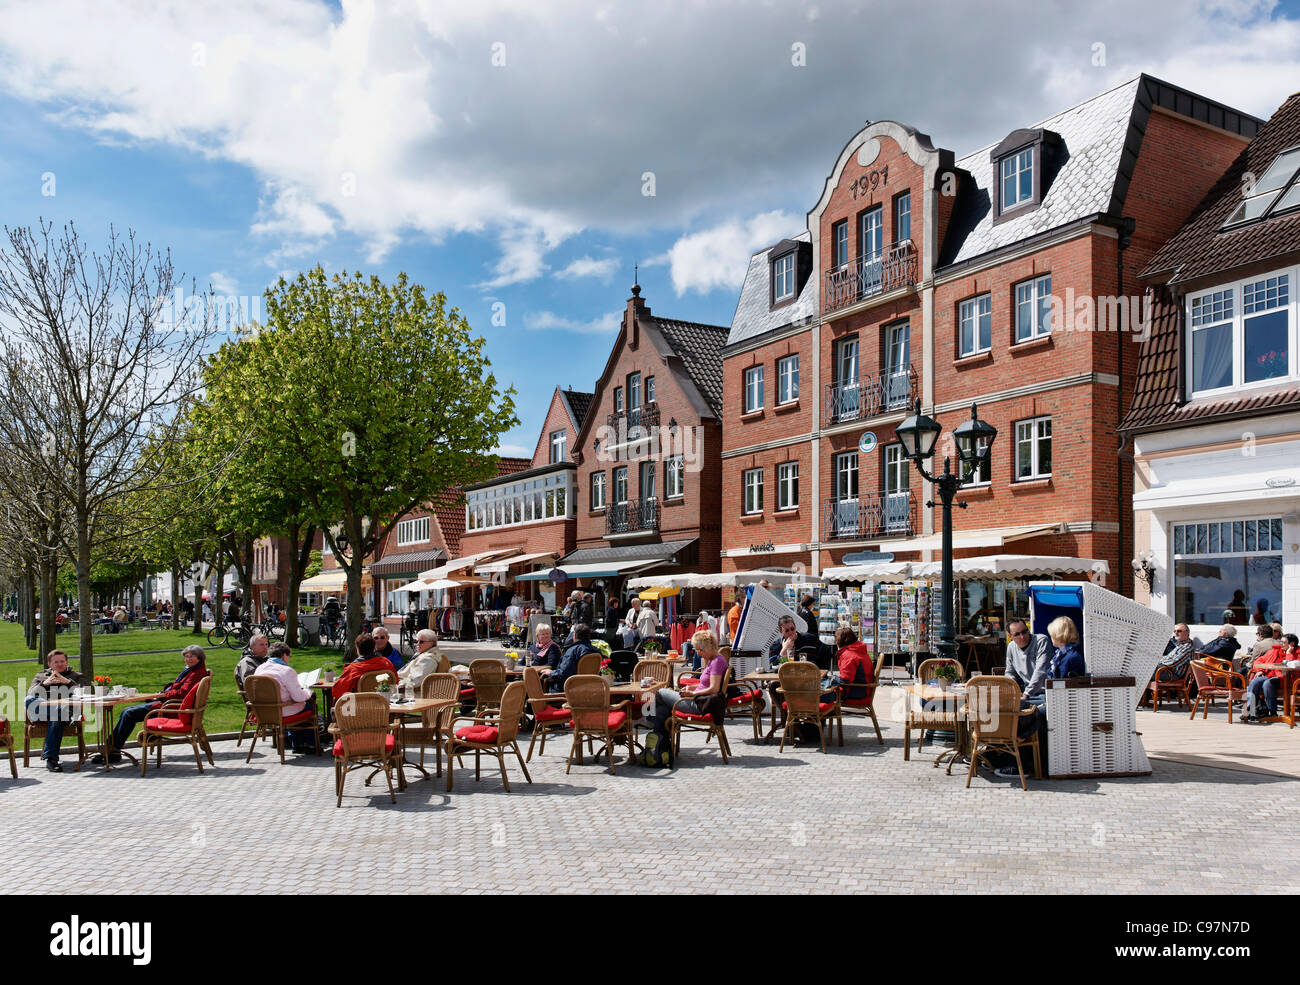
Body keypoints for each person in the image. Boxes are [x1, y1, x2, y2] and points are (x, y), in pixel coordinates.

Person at [99, 645, 210, 763]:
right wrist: (162, 694)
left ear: (200, 658)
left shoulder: (196, 673)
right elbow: (179, 690)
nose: (188, 659)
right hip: (169, 704)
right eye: (186, 656)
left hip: (172, 709)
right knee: (127, 710)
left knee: (129, 713)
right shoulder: (191, 670)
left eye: (192, 656)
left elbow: (181, 693)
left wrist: (162, 695)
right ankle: (110, 749)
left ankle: (112, 751)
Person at [647, 629, 728, 746]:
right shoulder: (715, 659)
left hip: (698, 704)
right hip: (699, 701)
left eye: (700, 650)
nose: (698, 653)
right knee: (663, 706)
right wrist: (691, 687)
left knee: (660, 692)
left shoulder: (716, 662)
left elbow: (714, 688)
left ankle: (650, 721)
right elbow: (706, 685)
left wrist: (693, 694)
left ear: (709, 648)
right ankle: (660, 736)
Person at [25, 650, 86, 772]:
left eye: (62, 661)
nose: (59, 664)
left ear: (67, 662)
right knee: (29, 699)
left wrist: (68, 682)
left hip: (67, 713)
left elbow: (84, 693)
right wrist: (44, 684)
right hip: (42, 713)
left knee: (59, 714)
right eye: (56, 662)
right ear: (49, 664)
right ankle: (56, 710)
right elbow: (31, 693)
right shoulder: (40, 676)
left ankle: (51, 759)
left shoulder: (76, 676)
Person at [250, 641, 317, 751]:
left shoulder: (259, 669)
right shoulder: (287, 671)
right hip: (283, 711)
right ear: (284, 655)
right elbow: (298, 697)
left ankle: (297, 743)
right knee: (309, 704)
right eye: (288, 656)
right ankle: (310, 744)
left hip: (264, 712)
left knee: (300, 704)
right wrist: (308, 691)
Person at [1243, 633, 1299, 722]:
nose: (1281, 644)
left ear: (1292, 644)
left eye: (1284, 642)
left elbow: (1291, 665)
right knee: (1255, 681)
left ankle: (1272, 712)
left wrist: (1289, 653)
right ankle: (1250, 710)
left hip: (1287, 678)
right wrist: (1260, 670)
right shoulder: (1276, 650)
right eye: (1281, 642)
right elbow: (1259, 660)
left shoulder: (1297, 652)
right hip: (1270, 675)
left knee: (1268, 683)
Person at [331, 633, 397, 700]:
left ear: (357, 649)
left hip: (359, 707)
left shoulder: (352, 669)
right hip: (384, 705)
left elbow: (337, 692)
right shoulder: (386, 664)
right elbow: (395, 682)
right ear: (374, 648)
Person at [1004, 619, 1052, 703]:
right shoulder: (1011, 647)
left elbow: (1040, 671)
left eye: (1024, 631)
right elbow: (1009, 672)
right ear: (1010, 636)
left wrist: (1026, 694)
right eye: (1017, 634)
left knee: (1018, 708)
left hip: (1045, 693)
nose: (1022, 636)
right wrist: (1013, 689)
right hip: (1026, 694)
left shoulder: (1041, 641)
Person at [825, 626, 874, 703]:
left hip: (856, 691)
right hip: (863, 688)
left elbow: (845, 680)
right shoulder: (858, 650)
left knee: (819, 694)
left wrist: (832, 679)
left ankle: (825, 712)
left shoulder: (849, 655)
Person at [546, 623, 599, 694]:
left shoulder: (572, 651)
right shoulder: (596, 651)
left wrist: (551, 673)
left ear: (574, 636)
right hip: (591, 689)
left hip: (569, 690)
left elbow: (563, 674)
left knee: (544, 681)